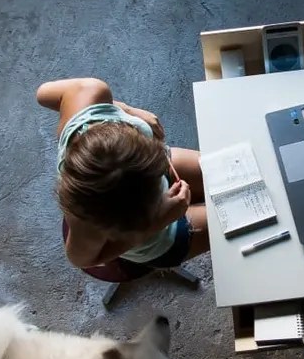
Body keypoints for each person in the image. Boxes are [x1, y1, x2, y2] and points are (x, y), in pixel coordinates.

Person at [36, 77, 209, 270]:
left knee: (232, 169)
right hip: (159, 238)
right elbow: (82, 260)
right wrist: (157, 222)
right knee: (240, 215)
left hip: (142, 177)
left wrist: (127, 110)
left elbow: (43, 93)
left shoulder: (91, 93)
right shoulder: (85, 219)